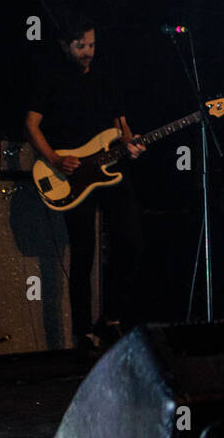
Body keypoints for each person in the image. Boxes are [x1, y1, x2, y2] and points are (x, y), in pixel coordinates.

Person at [25, 18, 145, 348]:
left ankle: (111, 318)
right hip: (73, 175)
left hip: (109, 169)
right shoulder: (51, 77)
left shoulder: (107, 76)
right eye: (81, 46)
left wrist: (131, 145)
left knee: (132, 240)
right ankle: (82, 332)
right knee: (83, 253)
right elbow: (31, 125)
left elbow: (122, 126)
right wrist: (54, 159)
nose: (88, 52)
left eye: (92, 44)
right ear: (65, 45)